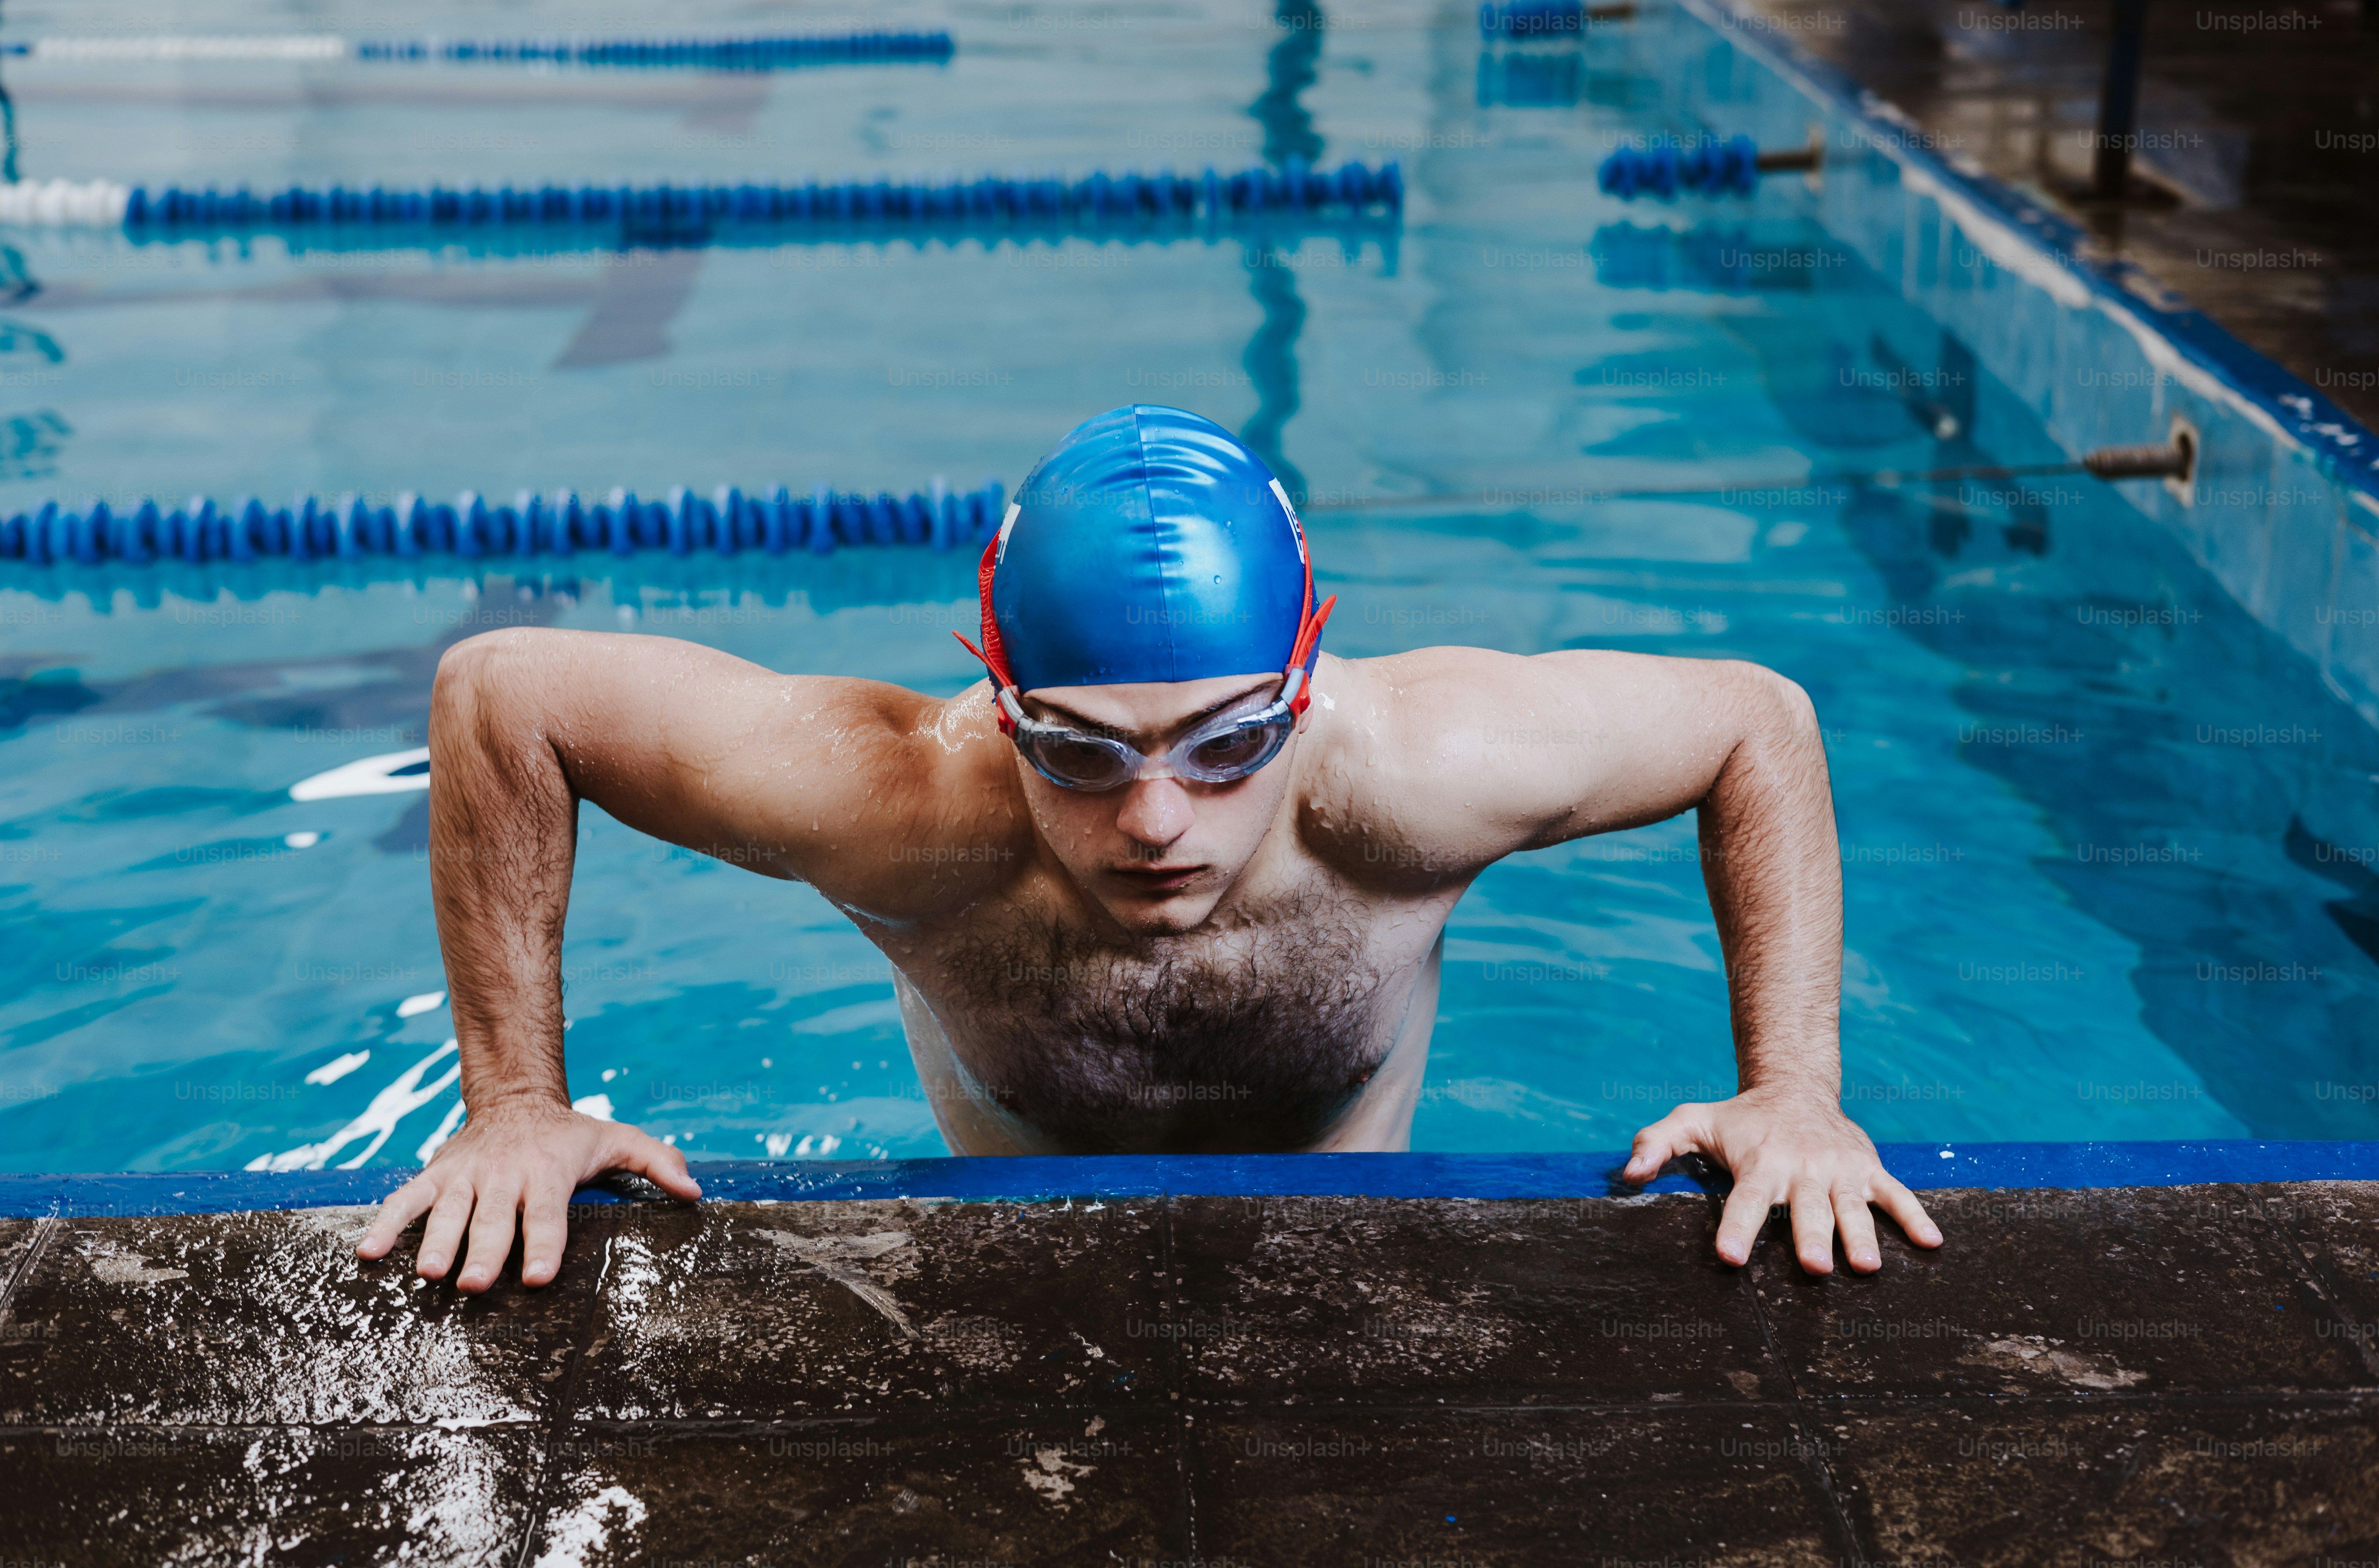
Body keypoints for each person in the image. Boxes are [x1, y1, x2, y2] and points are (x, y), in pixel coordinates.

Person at [357, 404, 1943, 1292]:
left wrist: (1794, 1094)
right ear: (1000, 700)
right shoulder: (900, 804)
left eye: (1229, 743)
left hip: (1352, 1275)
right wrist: (514, 1107)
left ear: (1303, 687)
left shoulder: (1420, 776)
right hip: (1011, 1282)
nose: (1159, 817)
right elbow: (506, 698)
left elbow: (1758, 724)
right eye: (1080, 751)